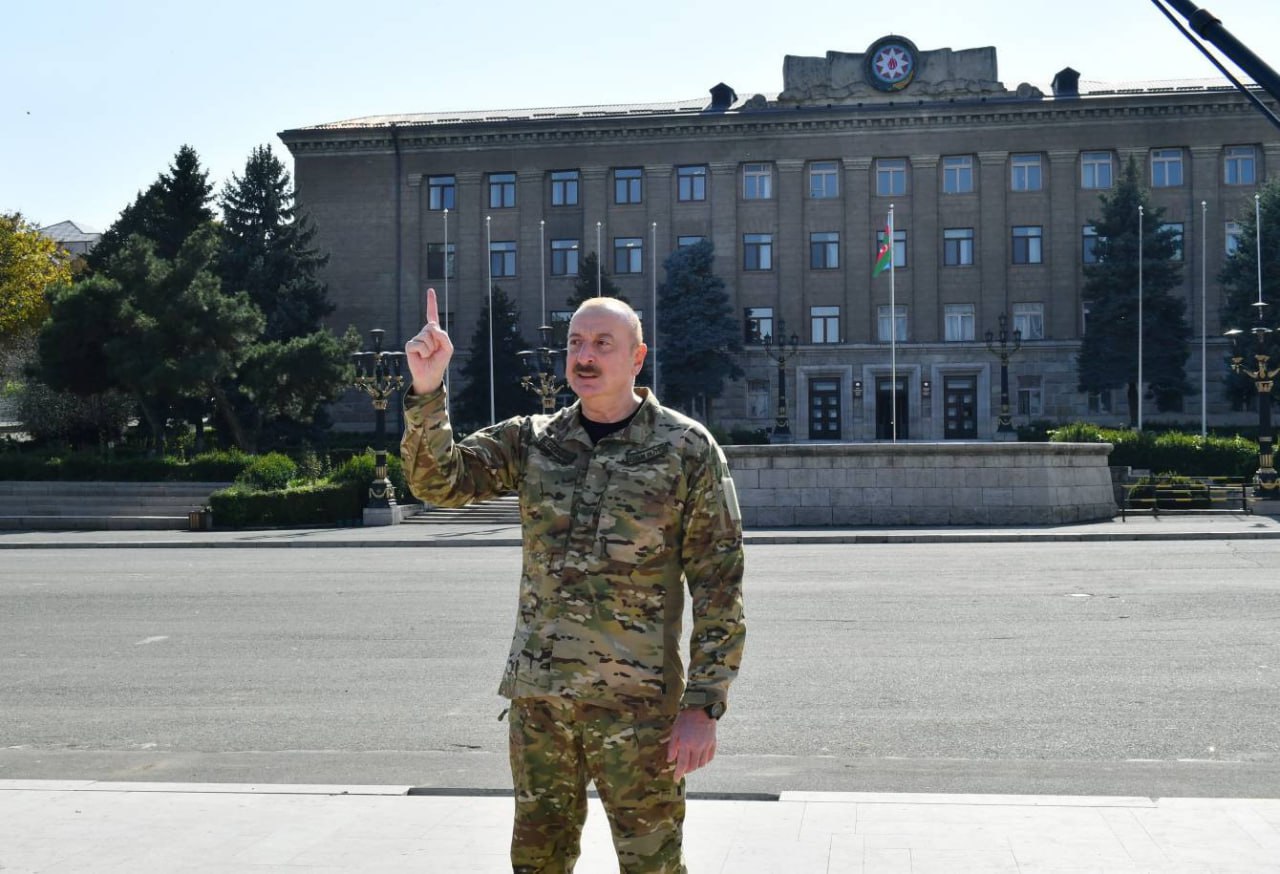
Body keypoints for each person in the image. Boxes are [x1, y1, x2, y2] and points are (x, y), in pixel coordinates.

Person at [401, 288, 745, 873]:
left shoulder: (685, 449)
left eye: (602, 344)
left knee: (653, 865)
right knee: (537, 863)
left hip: (637, 709)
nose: (584, 357)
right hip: (541, 704)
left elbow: (718, 584)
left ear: (637, 358)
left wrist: (703, 706)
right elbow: (439, 484)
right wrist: (429, 391)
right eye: (575, 343)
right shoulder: (533, 440)